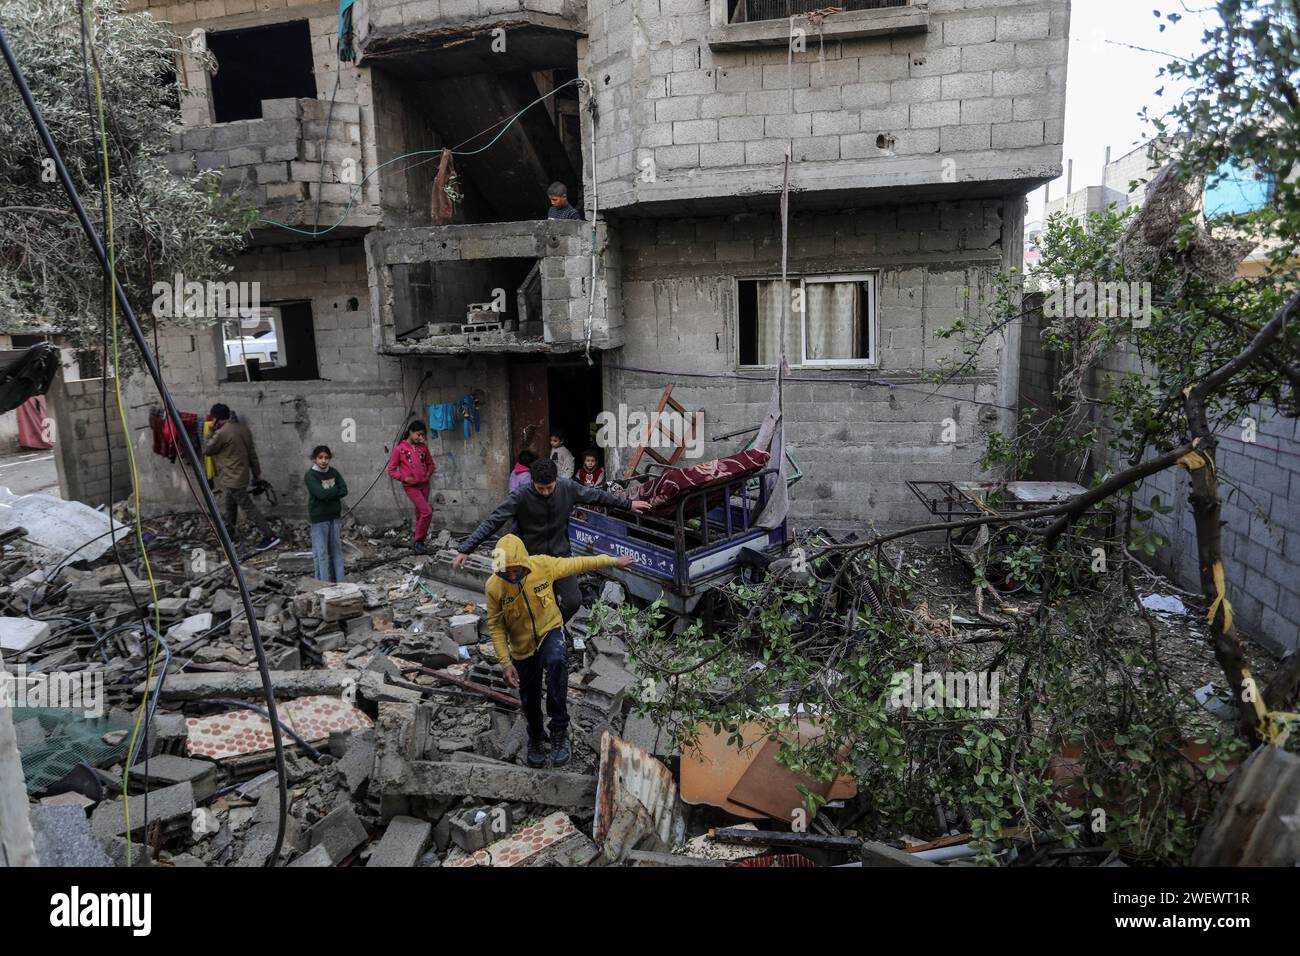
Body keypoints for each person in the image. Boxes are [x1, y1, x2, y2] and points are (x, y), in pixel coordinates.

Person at [487, 532, 635, 767]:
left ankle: (559, 730)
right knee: (530, 695)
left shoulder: (542, 566)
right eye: (507, 572)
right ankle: (535, 735)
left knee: (557, 661)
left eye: (517, 570)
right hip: (522, 647)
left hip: (549, 631)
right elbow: (495, 626)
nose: (513, 576)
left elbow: (577, 563)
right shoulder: (494, 588)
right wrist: (505, 663)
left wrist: (612, 561)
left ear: (525, 564)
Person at [454, 457, 650, 621]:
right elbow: (493, 521)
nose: (546, 492)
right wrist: (466, 549)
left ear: (556, 479)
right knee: (533, 605)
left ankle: (554, 628)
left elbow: (597, 496)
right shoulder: (520, 496)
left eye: (549, 487)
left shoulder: (567, 487)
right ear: (532, 482)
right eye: (541, 488)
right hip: (531, 560)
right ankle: (543, 638)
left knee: (573, 601)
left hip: (560, 555)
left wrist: (628, 504)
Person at [205, 403, 279, 551]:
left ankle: (270, 536)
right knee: (230, 506)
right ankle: (229, 536)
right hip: (241, 475)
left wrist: (210, 432)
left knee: (248, 507)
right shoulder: (243, 429)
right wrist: (256, 473)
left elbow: (208, 450)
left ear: (217, 419)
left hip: (232, 477)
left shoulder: (221, 433)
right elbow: (252, 454)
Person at [386, 420, 436, 554]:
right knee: (427, 512)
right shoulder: (399, 449)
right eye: (418, 435)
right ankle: (418, 540)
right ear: (411, 432)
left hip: (424, 485)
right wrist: (403, 477)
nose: (421, 438)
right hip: (411, 487)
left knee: (421, 514)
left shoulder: (423, 447)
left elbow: (431, 464)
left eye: (422, 435)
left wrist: (427, 473)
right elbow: (391, 470)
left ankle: (419, 544)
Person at [304, 445, 348, 582]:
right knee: (321, 553)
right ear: (314, 459)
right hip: (319, 518)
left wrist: (328, 494)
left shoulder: (334, 472)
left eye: (326, 458)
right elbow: (320, 494)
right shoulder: (310, 475)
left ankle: (340, 582)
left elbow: (344, 490)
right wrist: (334, 491)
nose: (324, 461)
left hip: (334, 516)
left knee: (336, 550)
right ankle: (324, 584)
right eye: (320, 458)